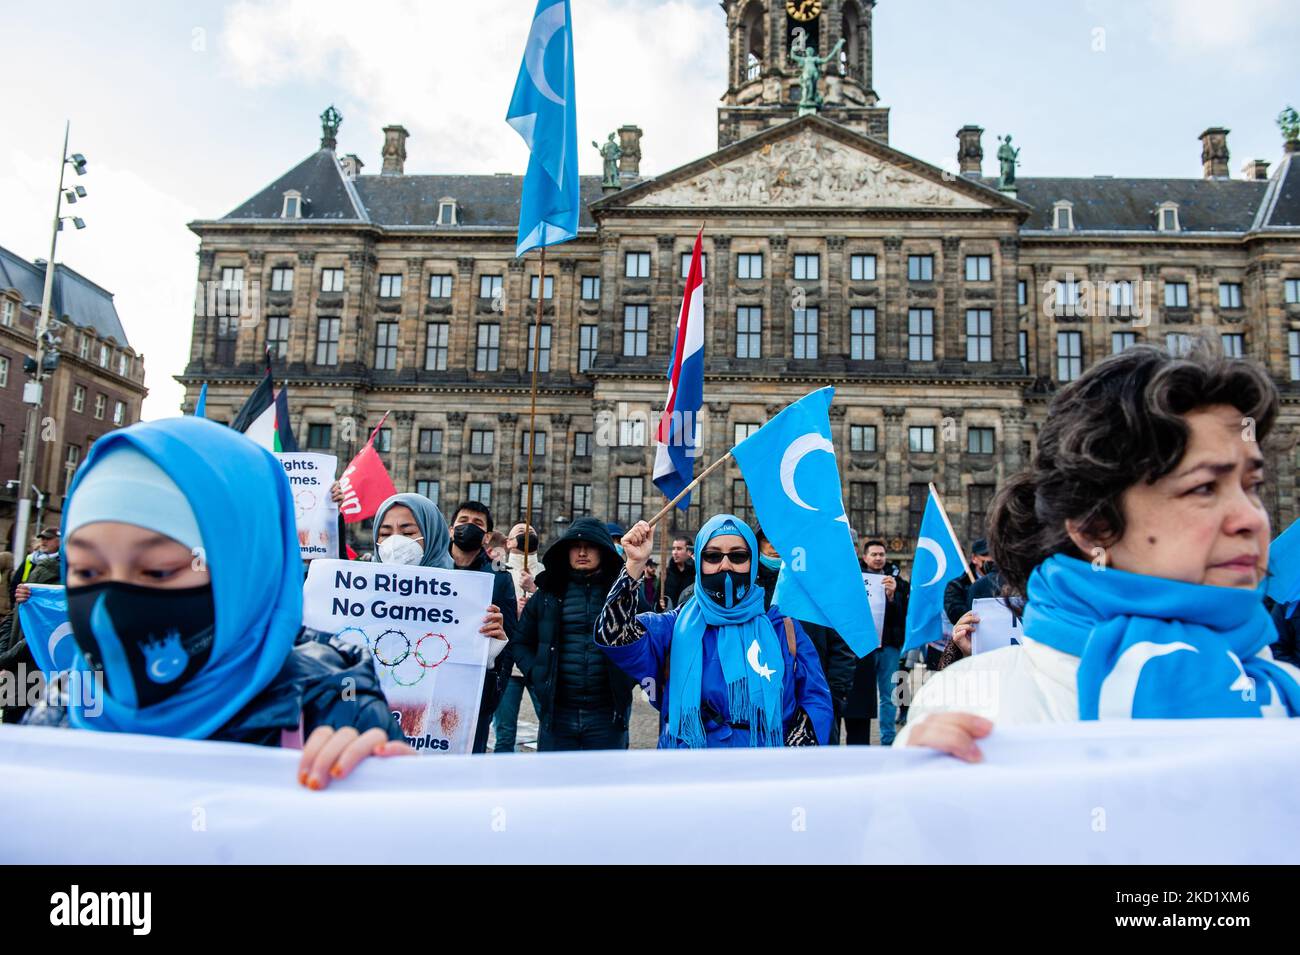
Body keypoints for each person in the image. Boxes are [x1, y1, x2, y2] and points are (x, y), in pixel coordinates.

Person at [901, 345, 1300, 761]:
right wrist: (912, 796)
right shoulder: (967, 705)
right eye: (1203, 488)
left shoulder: (1285, 694)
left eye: (1252, 487)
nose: (1251, 519)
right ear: (1094, 527)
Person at [22, 417, 415, 788]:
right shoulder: (56, 713)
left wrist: (386, 799)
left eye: (158, 570)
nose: (112, 608)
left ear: (246, 566)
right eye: (87, 571)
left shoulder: (338, 708)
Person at [596, 515, 833, 748]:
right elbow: (614, 636)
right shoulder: (673, 626)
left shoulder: (782, 627)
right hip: (690, 767)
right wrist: (634, 564)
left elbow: (814, 697)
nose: (725, 565)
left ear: (753, 562)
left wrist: (793, 753)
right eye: (713, 556)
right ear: (699, 561)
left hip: (762, 769)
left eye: (738, 556)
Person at [511, 517, 633, 751]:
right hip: (559, 714)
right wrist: (537, 672)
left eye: (590, 546)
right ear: (566, 551)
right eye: (576, 546)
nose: (583, 552)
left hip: (606, 714)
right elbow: (520, 642)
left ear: (603, 551)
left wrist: (627, 678)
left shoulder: (621, 593)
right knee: (555, 784)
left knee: (606, 783)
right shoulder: (547, 593)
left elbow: (647, 638)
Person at [755, 526, 855, 743]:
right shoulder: (748, 590)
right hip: (764, 703)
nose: (774, 547)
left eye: (780, 540)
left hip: (815, 700)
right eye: (767, 540)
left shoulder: (818, 586)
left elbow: (842, 646)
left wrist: (834, 696)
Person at [442, 500, 517, 753]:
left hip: (474, 692)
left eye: (477, 523)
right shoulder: (428, 570)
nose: (469, 527)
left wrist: (494, 694)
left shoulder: (500, 578)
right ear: (451, 530)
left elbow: (510, 640)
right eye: (463, 522)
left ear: (486, 537)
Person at [844, 539, 909, 745]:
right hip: (863, 646)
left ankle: (888, 739)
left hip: (889, 645)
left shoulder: (899, 582)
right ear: (865, 557)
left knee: (889, 695)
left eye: (881, 554)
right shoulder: (854, 579)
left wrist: (892, 596)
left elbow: (904, 615)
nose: (878, 558)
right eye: (874, 554)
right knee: (861, 693)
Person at [0, 532, 65, 724]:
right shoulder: (44, 569)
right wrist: (4, 655)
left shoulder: (99, 581)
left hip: (68, 679)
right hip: (25, 676)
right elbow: (17, 616)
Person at [493, 522, 544, 753]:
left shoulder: (546, 572)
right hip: (508, 662)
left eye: (531, 532)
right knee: (504, 733)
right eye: (520, 532)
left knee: (550, 724)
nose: (527, 534)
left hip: (537, 659)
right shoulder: (498, 571)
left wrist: (535, 592)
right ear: (509, 542)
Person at [944, 538, 991, 625]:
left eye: (993, 554)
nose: (990, 559)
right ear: (974, 558)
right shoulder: (957, 585)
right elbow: (955, 614)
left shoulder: (1005, 583)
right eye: (986, 555)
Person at [661, 535, 696, 609]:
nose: (674, 552)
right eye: (674, 548)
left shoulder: (696, 574)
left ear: (689, 552)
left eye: (679, 549)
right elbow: (657, 599)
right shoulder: (666, 573)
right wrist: (659, 605)